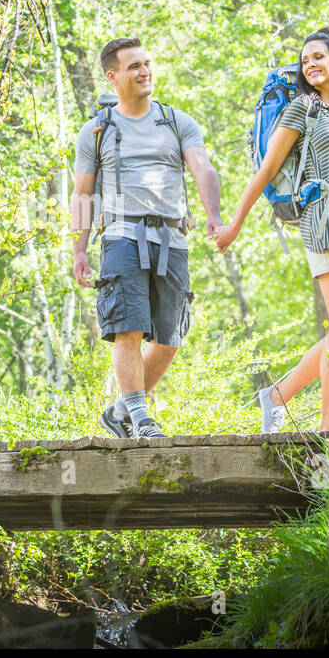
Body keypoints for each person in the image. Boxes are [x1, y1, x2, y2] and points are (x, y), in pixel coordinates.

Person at [216, 27, 329, 433]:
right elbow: (266, 171)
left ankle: (277, 395)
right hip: (326, 216)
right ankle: (328, 426)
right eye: (305, 60)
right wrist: (235, 224)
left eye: (318, 57)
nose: (311, 64)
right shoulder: (302, 108)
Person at [71, 37, 223, 438]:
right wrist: (79, 249)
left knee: (171, 337)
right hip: (121, 234)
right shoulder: (97, 131)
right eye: (134, 66)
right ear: (113, 76)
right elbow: (84, 193)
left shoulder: (176, 121)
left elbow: (203, 169)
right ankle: (141, 419)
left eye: (147, 64)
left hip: (172, 237)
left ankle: (120, 411)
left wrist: (214, 215)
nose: (144, 71)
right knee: (129, 327)